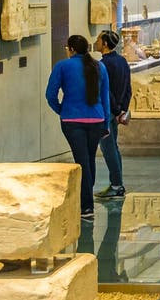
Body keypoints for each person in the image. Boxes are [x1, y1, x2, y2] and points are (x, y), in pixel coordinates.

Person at [46, 34, 110, 221]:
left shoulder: (62, 66)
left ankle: (87, 206)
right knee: (89, 159)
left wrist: (61, 110)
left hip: (72, 120)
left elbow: (50, 94)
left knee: (82, 161)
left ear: (71, 49)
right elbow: (105, 97)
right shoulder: (99, 66)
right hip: (96, 119)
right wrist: (105, 122)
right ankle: (86, 198)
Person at [94, 30, 131, 199]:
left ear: (105, 44)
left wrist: (115, 110)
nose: (96, 42)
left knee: (108, 149)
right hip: (117, 111)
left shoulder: (103, 64)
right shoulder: (122, 61)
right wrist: (123, 109)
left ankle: (116, 185)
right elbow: (128, 87)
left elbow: (106, 92)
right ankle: (117, 183)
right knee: (113, 148)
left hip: (108, 112)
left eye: (98, 39)